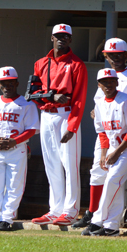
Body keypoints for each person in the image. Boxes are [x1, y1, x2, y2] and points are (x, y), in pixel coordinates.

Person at [73, 37, 127, 229]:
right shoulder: (104, 75)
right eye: (111, 55)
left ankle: (107, 221)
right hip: (107, 133)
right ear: (105, 56)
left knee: (114, 179)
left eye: (119, 55)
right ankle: (93, 214)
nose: (115, 58)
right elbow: (98, 106)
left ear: (126, 55)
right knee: (98, 172)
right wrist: (99, 112)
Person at [30, 24, 88, 226]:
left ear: (70, 40)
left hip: (66, 115)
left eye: (66, 36)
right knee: (51, 163)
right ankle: (55, 209)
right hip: (46, 114)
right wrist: (48, 98)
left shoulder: (77, 64)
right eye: (58, 36)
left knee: (69, 164)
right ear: (52, 38)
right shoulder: (41, 63)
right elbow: (33, 93)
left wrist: (72, 126)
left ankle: (70, 211)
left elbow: (79, 99)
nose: (62, 39)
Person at [81, 68, 127, 237]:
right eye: (104, 82)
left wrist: (116, 152)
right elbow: (102, 132)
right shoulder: (100, 103)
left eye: (111, 81)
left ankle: (96, 220)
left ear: (117, 82)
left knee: (112, 181)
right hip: (113, 147)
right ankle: (112, 227)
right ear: (99, 85)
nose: (108, 84)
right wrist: (103, 154)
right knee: (115, 183)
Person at [0, 67, 39, 231]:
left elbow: (32, 129)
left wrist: (15, 141)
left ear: (16, 83)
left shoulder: (27, 104)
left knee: (14, 185)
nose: (7, 86)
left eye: (10, 82)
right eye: (3, 83)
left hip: (17, 149)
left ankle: (7, 218)